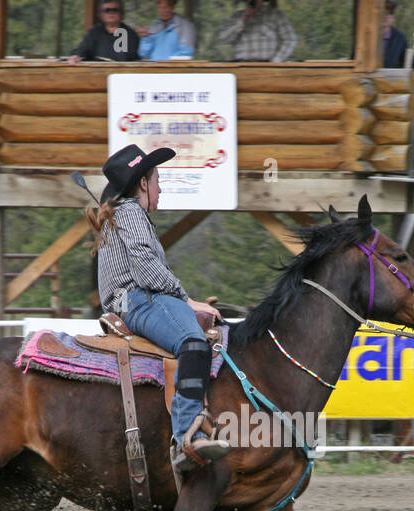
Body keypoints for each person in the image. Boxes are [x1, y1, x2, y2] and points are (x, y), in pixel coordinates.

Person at [87, 144, 230, 471]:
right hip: (140, 299)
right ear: (143, 185)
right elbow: (145, 266)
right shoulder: (131, 213)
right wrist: (185, 298)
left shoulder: (121, 214)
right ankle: (187, 437)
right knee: (194, 344)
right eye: (158, 180)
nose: (161, 188)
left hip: (133, 300)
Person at [215, 0, 297, 63]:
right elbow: (223, 39)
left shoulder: (275, 15)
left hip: (266, 65)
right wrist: (244, 19)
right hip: (241, 66)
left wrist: (276, 61)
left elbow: (290, 40)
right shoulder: (237, 16)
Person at [68, 2, 140, 63]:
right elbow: (83, 49)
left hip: (121, 75)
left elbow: (132, 58)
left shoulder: (130, 34)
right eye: (107, 10)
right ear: (101, 15)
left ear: (121, 14)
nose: (111, 13)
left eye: (115, 10)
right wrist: (77, 56)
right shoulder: (94, 31)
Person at [382, 1, 408, 69]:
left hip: (393, 78)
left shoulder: (400, 38)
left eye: (390, 14)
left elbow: (405, 64)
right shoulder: (366, 36)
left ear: (393, 18)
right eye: (383, 13)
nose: (386, 17)